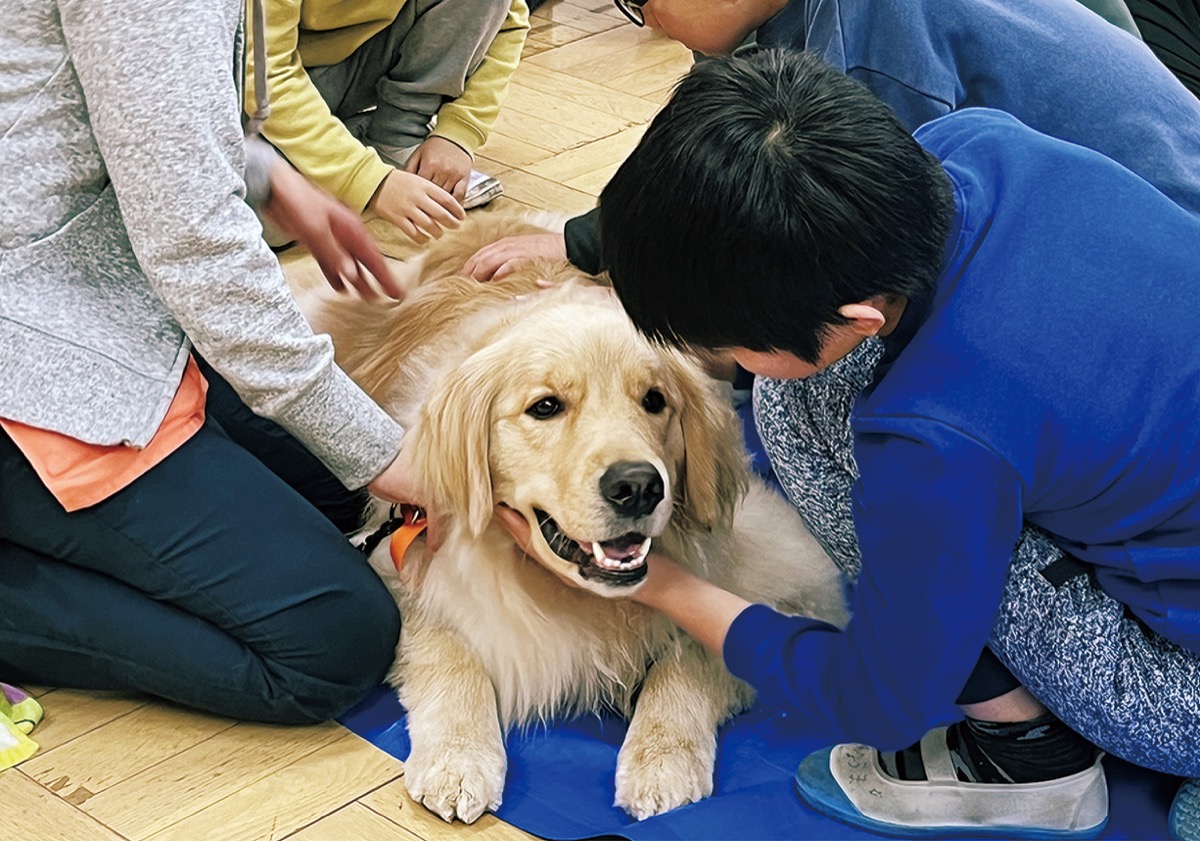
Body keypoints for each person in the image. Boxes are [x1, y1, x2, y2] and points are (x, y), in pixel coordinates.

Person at [498, 49, 1200, 838]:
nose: (718, 366)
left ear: (861, 316)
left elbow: (880, 698)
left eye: (727, 347)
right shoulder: (976, 145)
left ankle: (1023, 755)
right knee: (798, 390)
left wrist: (670, 589)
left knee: (797, 405)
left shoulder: (934, 442)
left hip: (1183, 695)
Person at [0, 0, 428, 725]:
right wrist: (386, 452)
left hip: (84, 297)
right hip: (35, 347)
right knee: (335, 639)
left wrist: (260, 172)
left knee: (339, 494)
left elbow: (98, 92)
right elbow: (196, 248)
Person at [463, 0, 1200, 281]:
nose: (646, 20)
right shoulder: (791, 24)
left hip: (1161, 265)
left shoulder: (872, 41)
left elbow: (873, 270)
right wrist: (593, 240)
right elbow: (710, 146)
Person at [247, 0, 529, 244]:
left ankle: (395, 141)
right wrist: (370, 181)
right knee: (264, 222)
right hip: (247, 91)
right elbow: (263, 72)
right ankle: (355, 148)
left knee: (289, 211)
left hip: (352, 62)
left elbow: (510, 18)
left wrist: (457, 134)